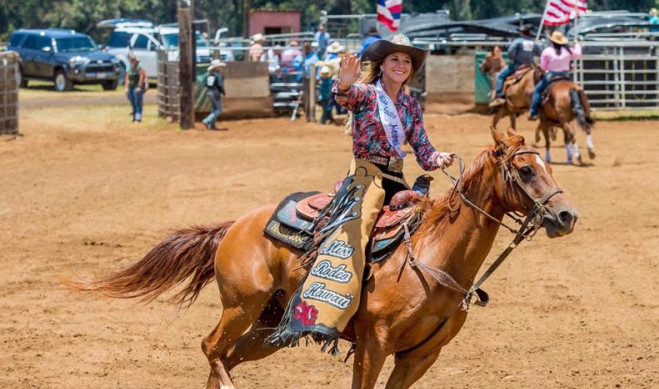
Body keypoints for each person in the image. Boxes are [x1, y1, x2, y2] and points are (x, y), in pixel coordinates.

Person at [270, 34, 455, 349]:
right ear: (382, 65)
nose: (401, 65)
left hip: (396, 179)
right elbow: (345, 96)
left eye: (406, 61)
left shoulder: (411, 105)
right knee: (354, 234)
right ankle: (325, 307)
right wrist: (344, 84)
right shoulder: (367, 94)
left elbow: (423, 148)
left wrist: (437, 157)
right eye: (394, 59)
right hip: (365, 176)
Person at [528, 31, 582, 121]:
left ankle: (533, 112)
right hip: (565, 75)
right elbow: (578, 54)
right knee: (575, 89)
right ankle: (579, 108)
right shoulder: (568, 50)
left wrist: (543, 68)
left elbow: (543, 67)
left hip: (551, 75)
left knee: (537, 90)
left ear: (552, 41)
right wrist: (577, 44)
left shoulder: (547, 51)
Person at [489, 24, 538, 108]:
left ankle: (499, 96)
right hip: (529, 66)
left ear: (522, 33)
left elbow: (510, 52)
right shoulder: (534, 43)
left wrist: (514, 58)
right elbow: (540, 52)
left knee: (499, 76)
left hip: (517, 65)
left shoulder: (518, 41)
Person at [202, 59, 226, 130]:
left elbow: (205, 83)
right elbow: (220, 85)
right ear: (216, 67)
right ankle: (207, 120)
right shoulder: (218, 75)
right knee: (218, 109)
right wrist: (223, 92)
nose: (221, 68)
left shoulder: (208, 75)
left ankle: (212, 125)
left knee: (215, 109)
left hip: (209, 92)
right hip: (215, 92)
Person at [124, 52, 146, 122]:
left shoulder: (139, 66)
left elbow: (141, 77)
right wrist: (126, 88)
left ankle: (138, 117)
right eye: (131, 60)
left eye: (133, 59)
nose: (132, 61)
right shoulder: (129, 66)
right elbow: (127, 78)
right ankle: (134, 116)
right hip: (131, 86)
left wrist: (139, 86)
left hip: (137, 86)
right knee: (132, 101)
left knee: (137, 101)